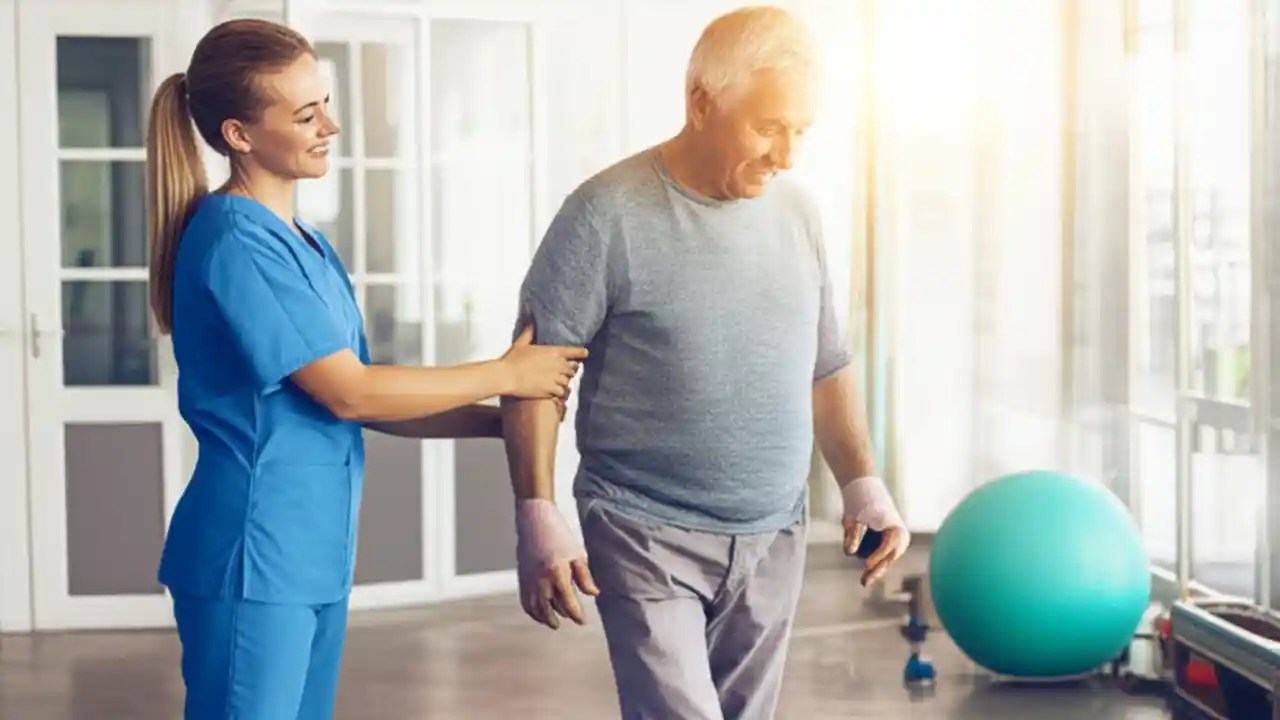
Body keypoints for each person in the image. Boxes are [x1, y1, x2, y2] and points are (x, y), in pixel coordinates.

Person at [146, 19, 585, 720]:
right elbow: (349, 394)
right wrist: (507, 374)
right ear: (238, 134)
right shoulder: (234, 240)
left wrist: (503, 422)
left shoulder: (308, 245)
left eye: (326, 102)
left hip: (310, 558)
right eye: (305, 114)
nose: (331, 125)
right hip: (252, 559)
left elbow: (372, 399)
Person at [502, 6, 910, 719]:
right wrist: (536, 510)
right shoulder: (605, 213)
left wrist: (863, 481)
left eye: (801, 130)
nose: (787, 155)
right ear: (701, 103)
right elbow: (534, 377)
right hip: (643, 528)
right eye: (768, 126)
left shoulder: (799, 214)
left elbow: (826, 361)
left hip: (773, 532)